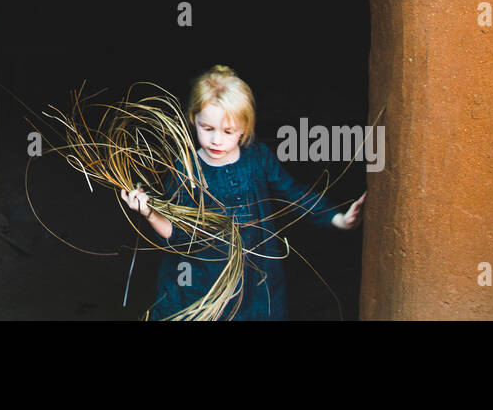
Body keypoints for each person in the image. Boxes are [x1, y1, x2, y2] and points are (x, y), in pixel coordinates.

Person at [121, 65, 365, 319]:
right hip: (202, 284)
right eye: (207, 129)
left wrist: (338, 219)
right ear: (194, 119)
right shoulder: (186, 169)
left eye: (228, 132)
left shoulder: (257, 159)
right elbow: (178, 233)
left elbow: (294, 193)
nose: (217, 140)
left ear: (244, 128)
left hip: (255, 283)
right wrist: (149, 213)